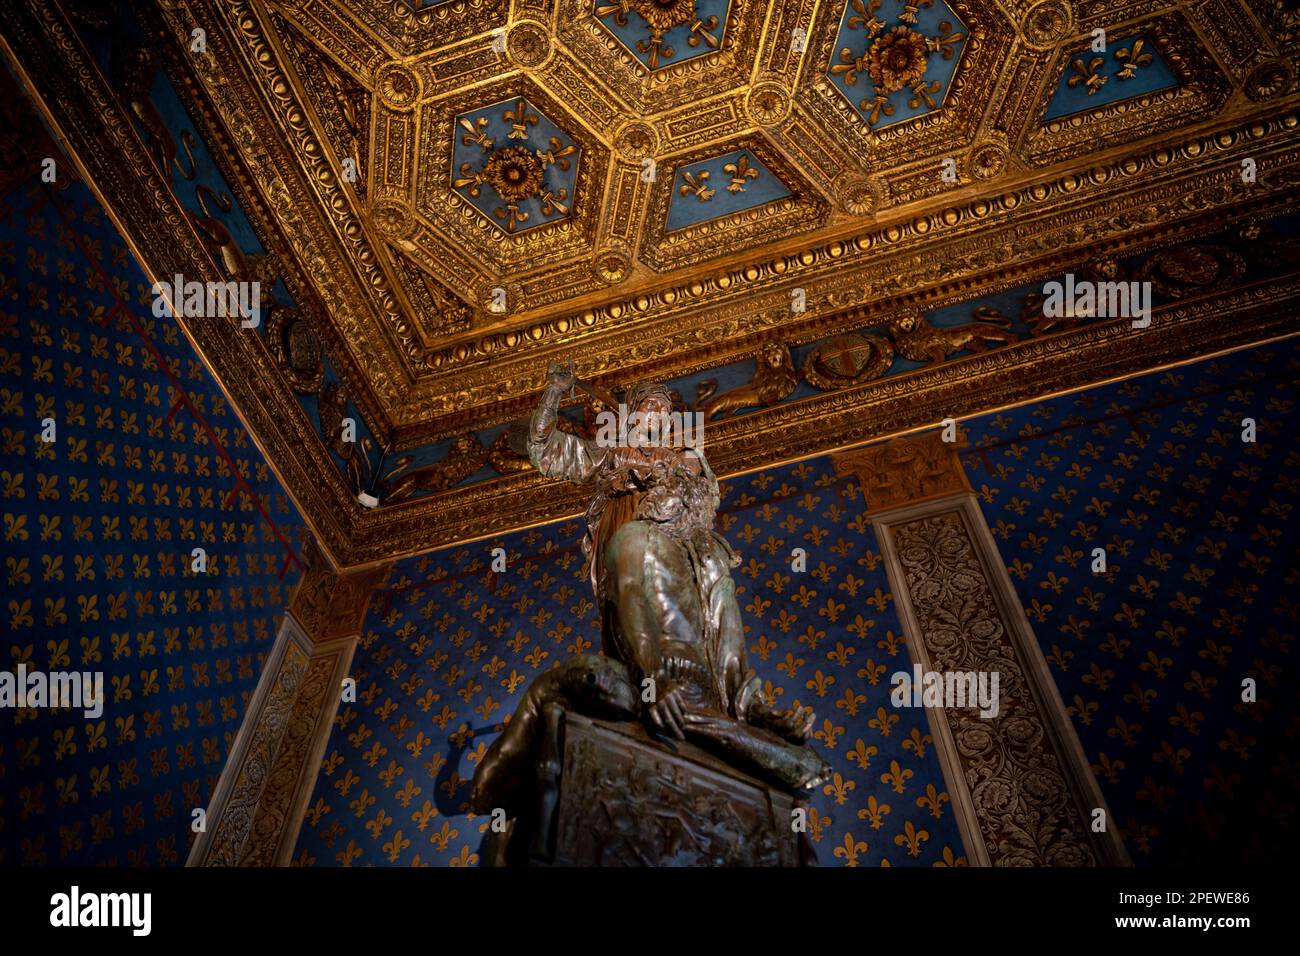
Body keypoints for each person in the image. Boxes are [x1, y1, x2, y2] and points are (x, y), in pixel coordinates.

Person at [527, 361, 830, 789]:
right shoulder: (609, 454)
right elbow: (545, 450)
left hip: (678, 544)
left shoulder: (681, 457)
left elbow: (702, 494)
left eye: (664, 410)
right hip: (628, 545)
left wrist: (674, 467)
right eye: (649, 406)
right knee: (631, 606)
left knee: (718, 579)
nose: (658, 414)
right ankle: (644, 686)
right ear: (633, 415)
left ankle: (746, 699)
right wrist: (554, 394)